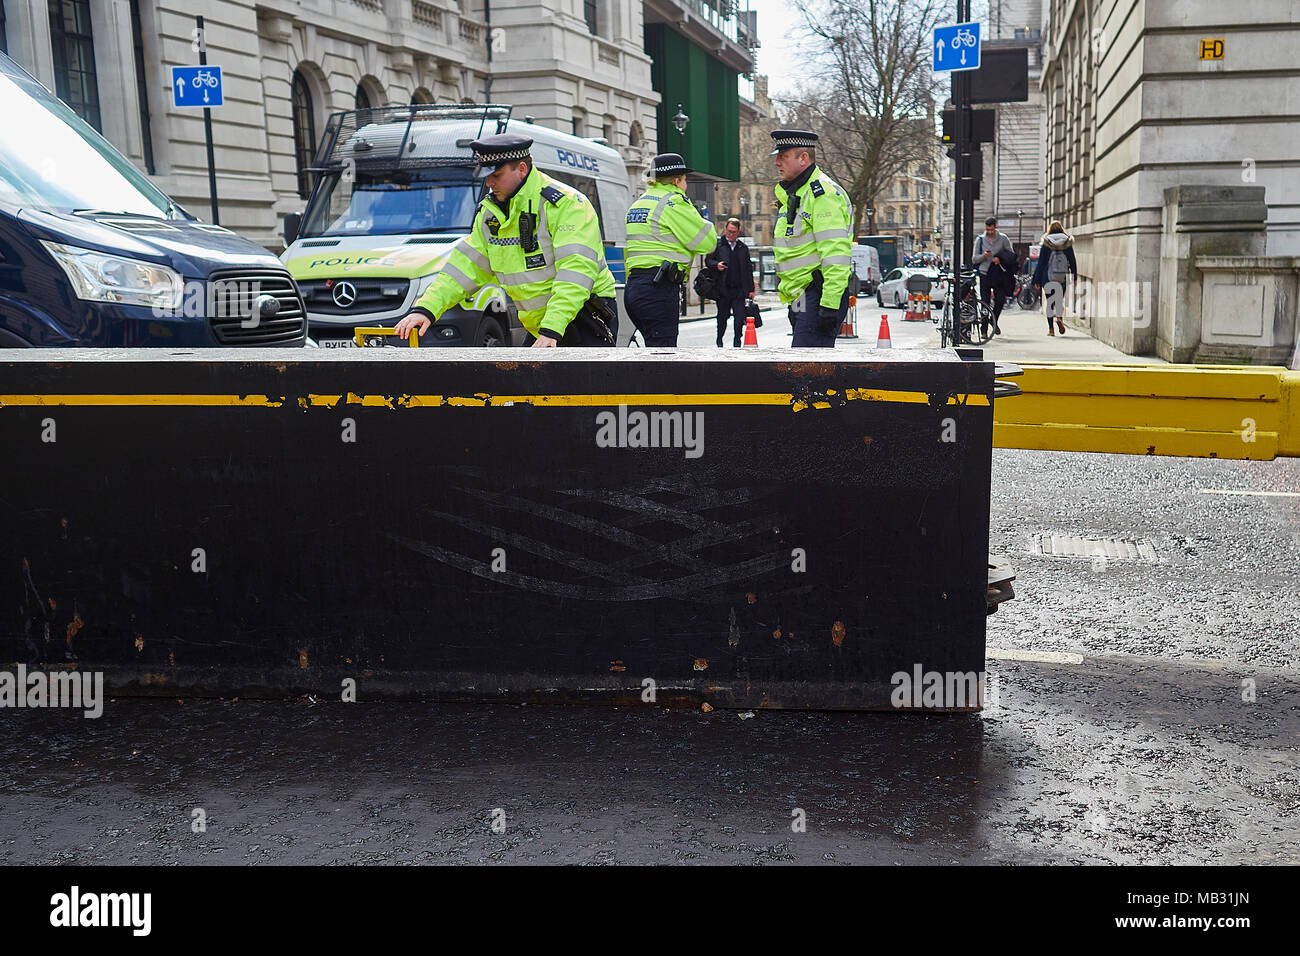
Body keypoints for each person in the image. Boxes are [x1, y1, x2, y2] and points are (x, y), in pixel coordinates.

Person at [394, 133, 617, 347]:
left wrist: (552, 329)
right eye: (486, 175)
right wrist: (425, 310)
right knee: (531, 385)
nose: (489, 182)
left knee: (584, 386)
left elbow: (576, 271)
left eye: (496, 175)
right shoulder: (491, 213)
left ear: (521, 169)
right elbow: (464, 268)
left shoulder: (566, 204)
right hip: (544, 325)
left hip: (585, 316)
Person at [769, 129, 853, 348]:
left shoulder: (822, 194)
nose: (777, 162)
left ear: (803, 158)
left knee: (807, 373)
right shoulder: (795, 194)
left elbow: (836, 254)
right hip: (802, 297)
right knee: (806, 370)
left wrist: (830, 305)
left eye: (783, 156)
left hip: (819, 295)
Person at [623, 152, 717, 346]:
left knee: (652, 351)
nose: (685, 186)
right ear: (676, 181)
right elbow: (707, 242)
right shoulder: (673, 202)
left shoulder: (639, 203)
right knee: (663, 358)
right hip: (658, 289)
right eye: (685, 181)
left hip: (634, 288)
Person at [705, 218, 756, 347]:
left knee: (739, 318)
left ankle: (737, 341)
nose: (730, 234)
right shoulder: (718, 245)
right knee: (722, 317)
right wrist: (717, 265)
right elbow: (708, 261)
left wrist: (751, 289)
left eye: (733, 232)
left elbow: (748, 268)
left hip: (739, 290)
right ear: (725, 230)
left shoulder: (742, 248)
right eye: (728, 231)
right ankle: (719, 338)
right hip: (723, 289)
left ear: (738, 232)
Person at [1033, 220, 1078, 336]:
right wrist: (1075, 276)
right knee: (1059, 299)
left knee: (1050, 302)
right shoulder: (1067, 242)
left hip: (1047, 276)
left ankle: (1051, 329)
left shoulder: (1047, 242)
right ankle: (1059, 318)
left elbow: (1041, 263)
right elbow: (1072, 260)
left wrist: (1036, 280)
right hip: (1062, 276)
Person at [971, 216, 1013, 337]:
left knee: (1000, 300)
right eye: (988, 230)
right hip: (985, 274)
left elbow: (1011, 255)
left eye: (992, 230)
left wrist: (1000, 259)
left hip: (999, 274)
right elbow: (974, 259)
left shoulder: (1003, 239)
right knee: (985, 302)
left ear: (996, 227)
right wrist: (984, 256)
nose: (989, 232)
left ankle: (993, 320)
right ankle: (984, 330)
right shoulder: (980, 240)